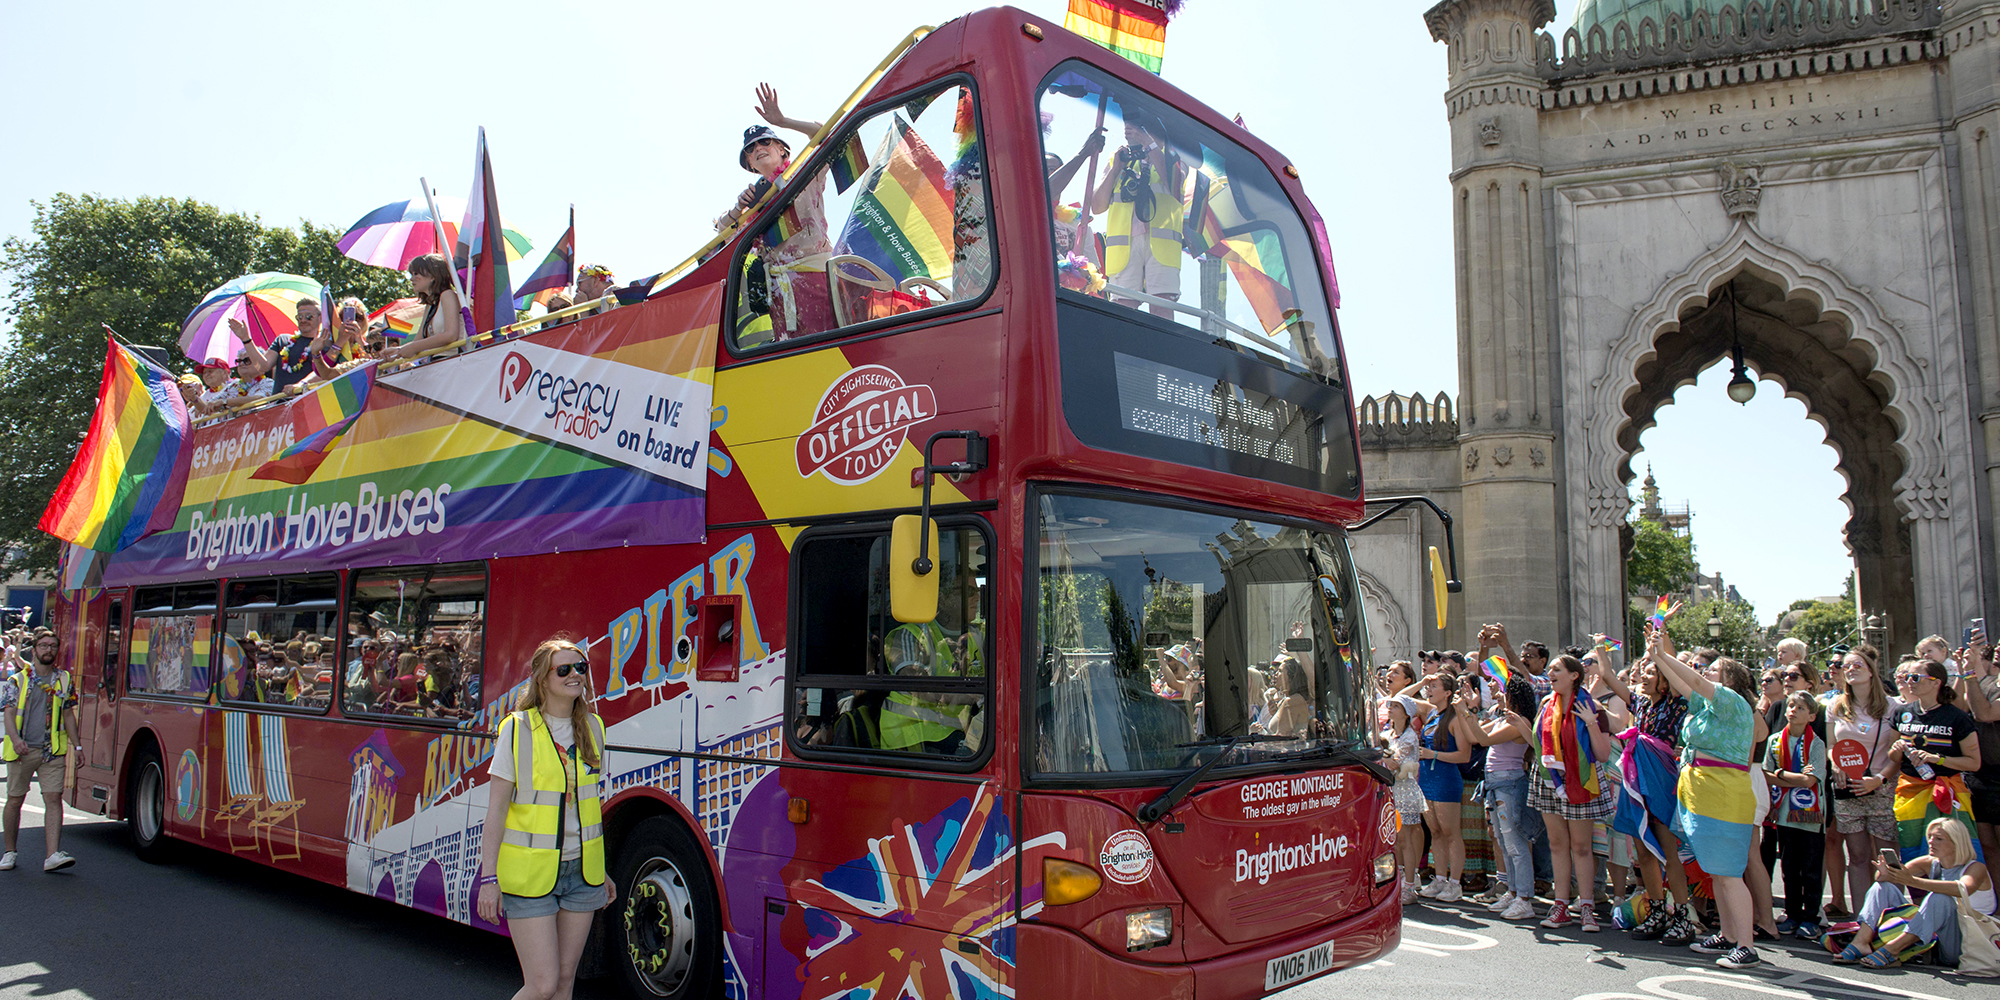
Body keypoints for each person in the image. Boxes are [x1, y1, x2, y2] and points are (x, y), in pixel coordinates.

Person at [476, 638, 615, 1000]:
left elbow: (586, 808)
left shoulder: (595, 729)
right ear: (542, 678)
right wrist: (489, 879)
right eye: (564, 669)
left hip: (583, 875)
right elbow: (497, 810)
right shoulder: (517, 729)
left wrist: (602, 871)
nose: (575, 676)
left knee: (566, 981)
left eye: (580, 668)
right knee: (542, 985)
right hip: (528, 876)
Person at [1648, 622, 1765, 969]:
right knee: (1717, 871)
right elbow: (1686, 685)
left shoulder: (1733, 702)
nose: (1706, 671)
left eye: (1715, 669)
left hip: (1723, 795)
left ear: (1732, 680)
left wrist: (1663, 654)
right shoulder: (1709, 707)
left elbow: (1694, 681)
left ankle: (1746, 945)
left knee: (1728, 873)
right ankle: (1728, 936)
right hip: (1703, 792)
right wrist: (1659, 654)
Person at [1507, 653, 1617, 931]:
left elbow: (1603, 754)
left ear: (1574, 675)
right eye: (1551, 670)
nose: (1551, 674)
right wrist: (1518, 722)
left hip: (1580, 780)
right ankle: (1560, 905)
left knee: (1581, 847)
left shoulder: (1592, 707)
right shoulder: (1545, 704)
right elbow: (1537, 742)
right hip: (1549, 780)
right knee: (1557, 845)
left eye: (1557, 670)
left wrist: (1591, 721)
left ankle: (1588, 906)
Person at [716, 84, 834, 340]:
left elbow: (827, 133)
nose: (757, 149)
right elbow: (720, 232)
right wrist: (739, 208)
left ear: (782, 149)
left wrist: (782, 121)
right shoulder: (753, 203)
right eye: (750, 149)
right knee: (791, 362)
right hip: (778, 294)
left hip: (818, 280)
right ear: (749, 164)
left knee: (827, 351)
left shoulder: (805, 173)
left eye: (765, 142)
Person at [1830, 817, 1993, 968]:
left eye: (1939, 839)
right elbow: (1885, 878)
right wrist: (1884, 872)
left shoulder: (1976, 868)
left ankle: (1892, 950)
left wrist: (1912, 881)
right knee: (1882, 887)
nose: (1931, 841)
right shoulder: (1930, 862)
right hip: (1934, 939)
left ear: (1957, 842)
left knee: (1940, 897)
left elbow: (1961, 889)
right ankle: (1861, 942)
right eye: (1930, 836)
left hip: (1964, 945)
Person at [1884, 657, 1983, 862]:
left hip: (1949, 792)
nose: (1909, 681)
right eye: (1906, 677)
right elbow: (1893, 757)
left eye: (1915, 677)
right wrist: (1897, 748)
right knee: (1913, 853)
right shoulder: (1902, 713)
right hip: (1910, 793)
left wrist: (1937, 759)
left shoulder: (1957, 717)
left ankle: (1954, 892)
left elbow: (1974, 762)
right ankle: (1920, 894)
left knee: (1955, 851)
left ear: (1936, 682)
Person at [1088, 108, 1184, 318]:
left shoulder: (1172, 159)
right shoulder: (1118, 160)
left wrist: (1148, 144)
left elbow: (1175, 187)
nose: (1131, 133)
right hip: (1124, 249)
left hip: (1162, 248)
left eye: (1139, 129)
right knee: (1124, 308)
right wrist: (1116, 169)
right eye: (1129, 129)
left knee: (1161, 308)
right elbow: (1096, 206)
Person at [1826, 645, 1898, 923]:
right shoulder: (1835, 706)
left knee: (1886, 855)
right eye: (1847, 666)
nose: (1851, 669)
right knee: (1856, 855)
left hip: (1880, 788)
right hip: (1847, 789)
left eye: (1857, 665)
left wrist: (1877, 780)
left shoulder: (1893, 707)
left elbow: (1897, 754)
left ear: (1871, 671)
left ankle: (1891, 919)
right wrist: (1836, 764)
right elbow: (1832, 745)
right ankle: (1861, 919)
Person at [1, 633, 76, 872]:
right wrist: (15, 739)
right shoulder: (18, 680)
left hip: (51, 751)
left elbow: (68, 715)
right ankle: (10, 852)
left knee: (53, 798)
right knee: (15, 800)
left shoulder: (64, 679)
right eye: (43, 645)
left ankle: (52, 855)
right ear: (34, 650)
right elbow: (10, 713)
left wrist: (78, 746)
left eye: (53, 646)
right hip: (22, 750)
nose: (48, 649)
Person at [1471, 676, 1540, 920]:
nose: (1496, 694)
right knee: (1502, 839)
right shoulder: (1503, 718)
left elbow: (1483, 739)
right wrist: (1466, 712)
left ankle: (1524, 897)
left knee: (1514, 842)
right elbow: (1475, 735)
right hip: (1496, 783)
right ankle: (1513, 890)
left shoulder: (1518, 721)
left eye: (1502, 691)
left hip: (1509, 783)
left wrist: (1467, 713)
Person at [1764, 690, 1830, 939]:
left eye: (1801, 708)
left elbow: (1810, 780)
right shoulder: (1774, 741)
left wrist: (1781, 775)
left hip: (1810, 815)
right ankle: (1792, 914)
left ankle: (1811, 916)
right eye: (1791, 705)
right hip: (1782, 813)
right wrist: (1791, 777)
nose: (1793, 710)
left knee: (1810, 867)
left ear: (1812, 716)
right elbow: (1766, 774)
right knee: (1789, 867)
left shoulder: (1816, 743)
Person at [1415, 671, 1474, 902]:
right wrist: (1423, 680)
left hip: (1446, 779)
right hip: (1427, 779)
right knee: (1436, 832)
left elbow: (1464, 755)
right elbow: (1400, 697)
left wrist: (1434, 754)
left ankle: (1455, 882)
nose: (1429, 690)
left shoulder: (1454, 718)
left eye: (1434, 686)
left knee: (1451, 832)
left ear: (1448, 693)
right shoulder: (1431, 715)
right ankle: (1439, 879)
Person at [380, 254, 465, 362]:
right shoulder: (430, 305)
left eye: (416, 273)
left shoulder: (448, 295)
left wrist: (413, 347)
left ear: (432, 276)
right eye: (411, 274)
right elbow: (418, 340)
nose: (411, 279)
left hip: (455, 362)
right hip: (438, 363)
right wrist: (397, 351)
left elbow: (451, 335)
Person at [1960, 639, 2000, 871]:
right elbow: (1967, 704)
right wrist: (1970, 670)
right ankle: (1997, 905)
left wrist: (1973, 676)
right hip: (1980, 774)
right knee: (1988, 845)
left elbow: (1984, 713)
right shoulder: (1989, 683)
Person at [1386, 695, 1429, 905]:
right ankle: (1402, 879)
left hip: (1405, 791)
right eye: (1390, 705)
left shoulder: (1409, 737)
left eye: (1396, 706)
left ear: (1405, 713)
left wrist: (1382, 758)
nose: (1391, 709)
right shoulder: (1388, 734)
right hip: (1393, 790)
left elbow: (1395, 763)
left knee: (1406, 840)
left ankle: (1410, 885)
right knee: (1396, 840)